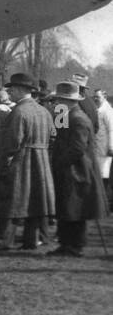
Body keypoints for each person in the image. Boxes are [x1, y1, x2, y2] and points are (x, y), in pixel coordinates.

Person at [0, 73, 56, 250]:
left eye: (12, 89)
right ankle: (31, 240)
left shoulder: (19, 112)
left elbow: (11, 143)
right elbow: (53, 136)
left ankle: (4, 241)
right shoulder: (44, 111)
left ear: (21, 90)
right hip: (41, 161)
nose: (9, 92)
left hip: (21, 161)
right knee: (35, 202)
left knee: (12, 200)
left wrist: (3, 163)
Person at [50, 81, 106, 256]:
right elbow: (57, 137)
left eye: (59, 99)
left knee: (76, 208)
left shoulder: (79, 119)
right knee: (67, 206)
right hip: (68, 168)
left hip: (78, 169)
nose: (56, 102)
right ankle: (65, 243)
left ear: (69, 100)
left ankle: (75, 245)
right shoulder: (65, 115)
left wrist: (59, 162)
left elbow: (77, 148)